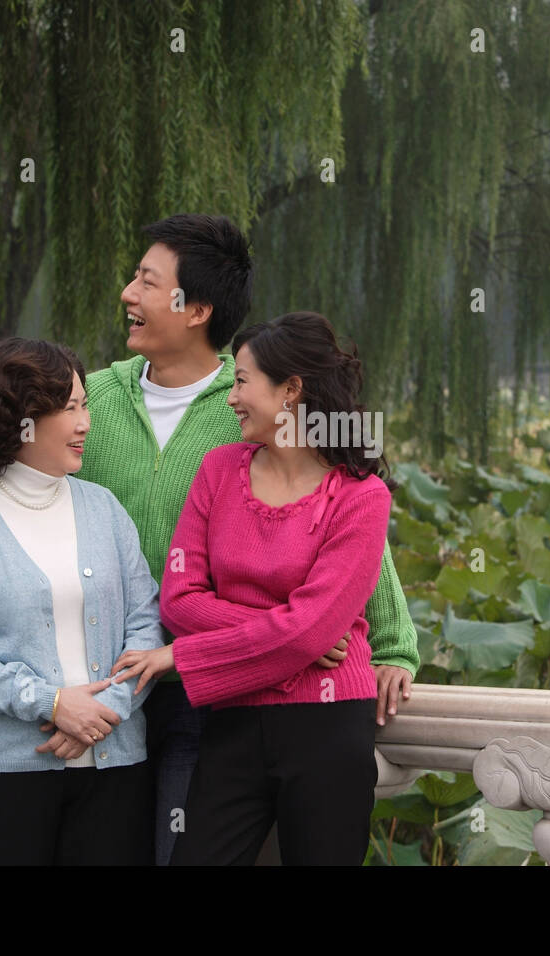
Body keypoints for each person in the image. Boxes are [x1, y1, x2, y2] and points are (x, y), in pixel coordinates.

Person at [75, 214, 420, 866]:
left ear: (196, 307)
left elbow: (356, 551)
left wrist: (394, 642)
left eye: (147, 282)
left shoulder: (298, 445)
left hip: (225, 701)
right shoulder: (89, 400)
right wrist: (296, 629)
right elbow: (181, 597)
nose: (127, 293)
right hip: (113, 681)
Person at [114, 312, 394, 865]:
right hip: (233, 716)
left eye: (242, 381)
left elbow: (308, 630)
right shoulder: (219, 470)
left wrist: (185, 653)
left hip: (328, 723)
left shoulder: (361, 497)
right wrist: (294, 633)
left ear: (291, 390)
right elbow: (178, 596)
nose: (231, 397)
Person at [0, 338, 163, 865]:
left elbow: (146, 624)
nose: (85, 423)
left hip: (114, 769)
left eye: (85, 405)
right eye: (69, 407)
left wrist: (100, 716)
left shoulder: (104, 510)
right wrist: (53, 705)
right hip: (2, 774)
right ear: (22, 417)